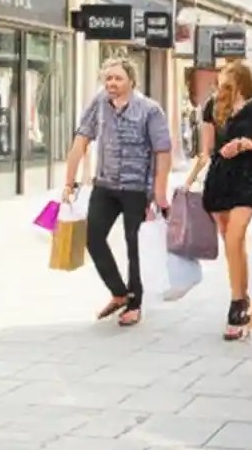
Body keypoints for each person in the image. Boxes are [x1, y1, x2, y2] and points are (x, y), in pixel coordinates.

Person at [62, 57, 173, 328]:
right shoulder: (100, 104)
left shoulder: (150, 110)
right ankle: (119, 292)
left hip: (137, 189)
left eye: (118, 78)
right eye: (108, 78)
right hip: (106, 185)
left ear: (131, 81)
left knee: (135, 246)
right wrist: (69, 182)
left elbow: (163, 151)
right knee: (92, 237)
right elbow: (81, 140)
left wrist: (159, 193)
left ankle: (135, 303)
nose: (111, 83)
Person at [184, 61, 252, 340]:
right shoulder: (212, 107)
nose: (222, 87)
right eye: (221, 82)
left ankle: (236, 304)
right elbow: (206, 151)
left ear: (241, 81)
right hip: (219, 178)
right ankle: (242, 296)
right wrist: (189, 181)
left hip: (247, 177)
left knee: (235, 236)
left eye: (227, 81)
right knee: (231, 242)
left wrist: (246, 144)